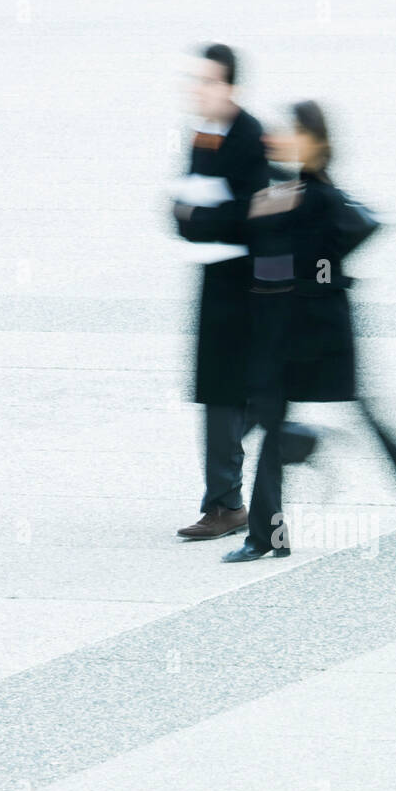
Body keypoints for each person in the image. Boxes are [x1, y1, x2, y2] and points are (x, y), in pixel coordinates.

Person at [222, 100, 396, 563]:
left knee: (361, 416)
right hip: (293, 330)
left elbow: (336, 249)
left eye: (293, 131)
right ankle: (269, 536)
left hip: (323, 333)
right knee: (274, 419)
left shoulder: (318, 197)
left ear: (314, 140)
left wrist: (316, 280)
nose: (284, 136)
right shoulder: (294, 191)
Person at [172, 43, 269, 541]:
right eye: (197, 79)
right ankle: (226, 500)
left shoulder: (253, 139)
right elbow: (180, 210)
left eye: (209, 81)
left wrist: (202, 218)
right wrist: (196, 218)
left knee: (226, 395)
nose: (199, 89)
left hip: (250, 284)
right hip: (215, 278)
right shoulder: (202, 136)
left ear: (230, 87)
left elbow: (255, 214)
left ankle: (226, 504)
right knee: (220, 394)